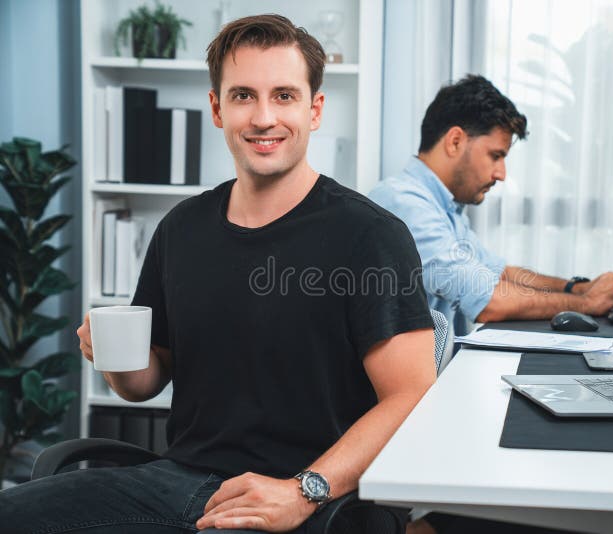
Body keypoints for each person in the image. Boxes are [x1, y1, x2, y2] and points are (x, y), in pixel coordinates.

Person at [0, 14, 435, 534]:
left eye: (284, 96)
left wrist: (304, 490)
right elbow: (145, 381)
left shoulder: (371, 236)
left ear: (314, 110)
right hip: (178, 482)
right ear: (217, 108)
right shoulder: (181, 228)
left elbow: (411, 396)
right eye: (244, 95)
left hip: (318, 498)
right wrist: (112, 357)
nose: (263, 117)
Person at [370, 75, 613, 337]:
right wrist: (587, 304)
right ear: (455, 141)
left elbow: (500, 273)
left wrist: (578, 289)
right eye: (495, 155)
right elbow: (488, 300)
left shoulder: (442, 207)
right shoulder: (405, 204)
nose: (501, 173)